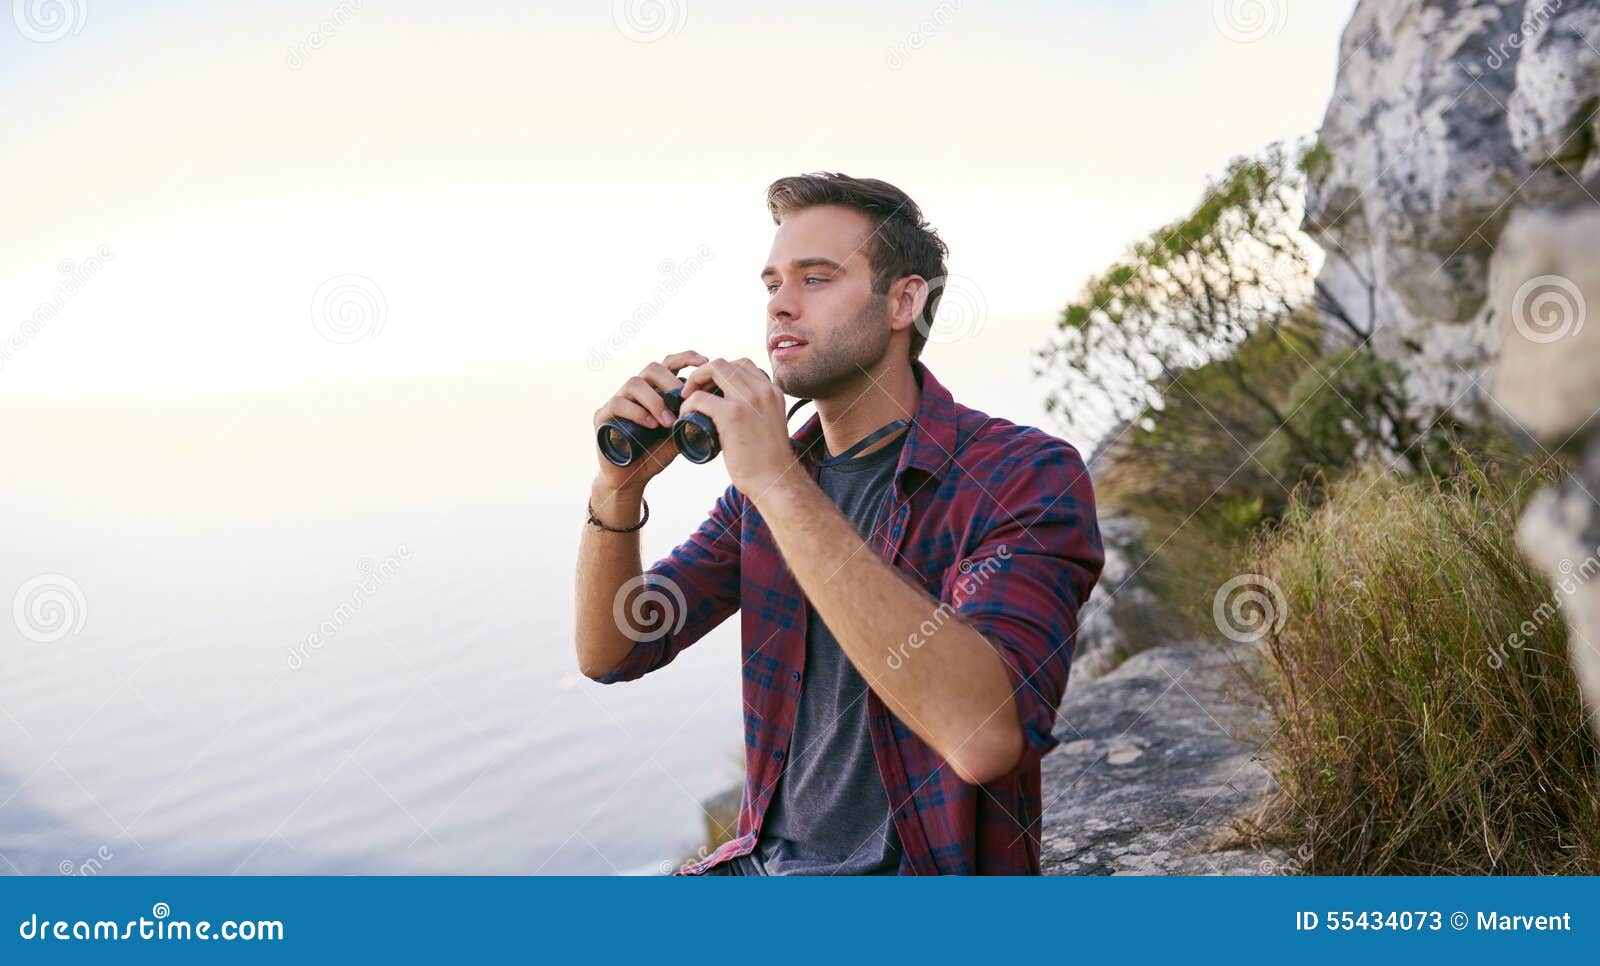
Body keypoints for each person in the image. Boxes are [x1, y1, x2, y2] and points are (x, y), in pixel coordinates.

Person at [574, 173, 1103, 874]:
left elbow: (983, 740)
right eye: (772, 284)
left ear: (904, 301)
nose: (781, 307)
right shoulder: (775, 486)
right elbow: (613, 650)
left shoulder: (1021, 475)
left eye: (815, 279)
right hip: (759, 867)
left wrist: (774, 481)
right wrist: (618, 490)